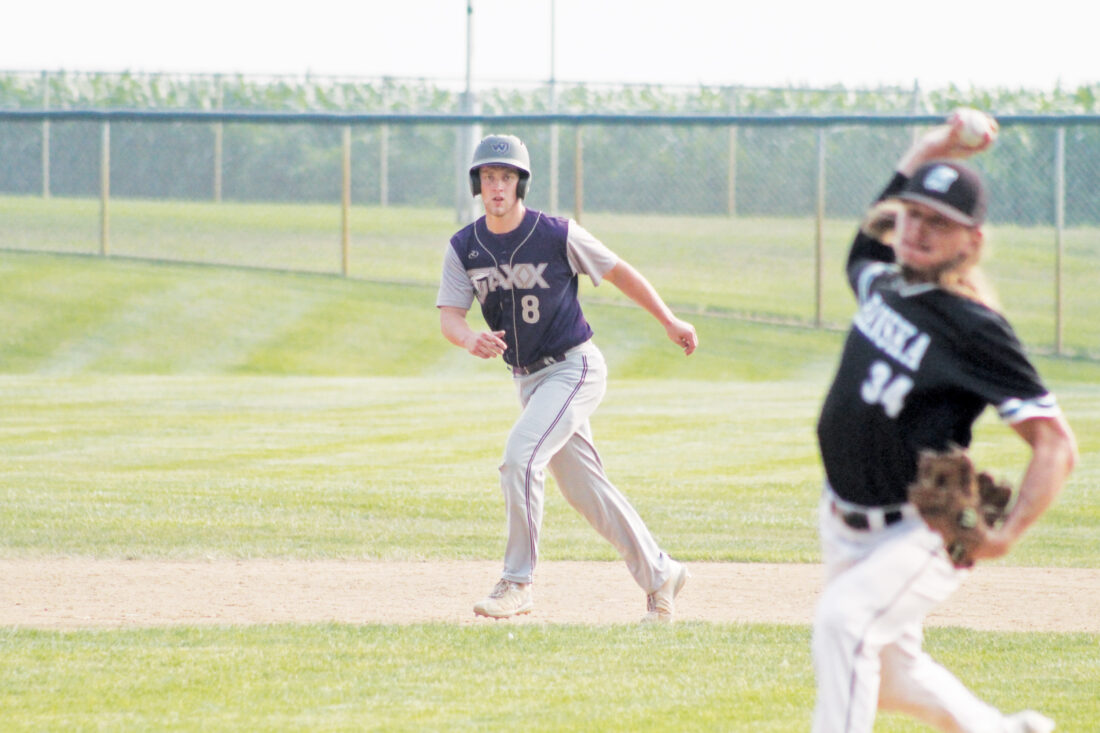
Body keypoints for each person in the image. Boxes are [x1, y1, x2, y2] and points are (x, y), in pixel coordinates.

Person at [812, 115, 1077, 732]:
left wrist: (1005, 535)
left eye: (940, 222)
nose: (919, 229)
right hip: (844, 520)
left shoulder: (974, 326)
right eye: (912, 214)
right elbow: (864, 241)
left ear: (971, 242)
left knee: (844, 624)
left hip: (919, 531)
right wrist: (930, 147)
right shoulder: (883, 282)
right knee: (893, 677)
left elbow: (1054, 443)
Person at [436, 133, 697, 622]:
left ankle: (517, 581)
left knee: (519, 458)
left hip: (574, 367)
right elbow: (450, 316)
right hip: (529, 380)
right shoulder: (465, 247)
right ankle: (661, 574)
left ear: (520, 185)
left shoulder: (556, 233)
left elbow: (619, 272)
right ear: (478, 184)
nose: (497, 186)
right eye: (489, 177)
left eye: (506, 177)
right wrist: (469, 337)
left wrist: (668, 319)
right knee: (584, 491)